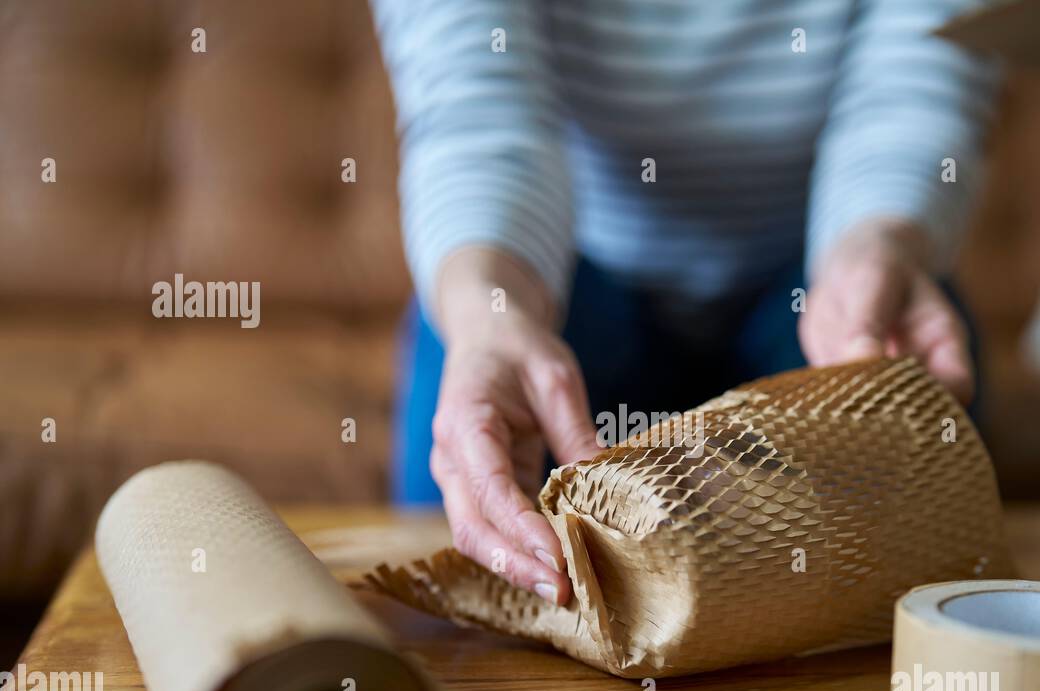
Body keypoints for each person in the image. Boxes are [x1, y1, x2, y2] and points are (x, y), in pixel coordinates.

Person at [371, 0, 998, 607]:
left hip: (825, 280)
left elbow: (913, 87)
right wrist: (490, 314)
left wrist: (877, 246)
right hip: (558, 282)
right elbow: (474, 107)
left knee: (919, 575)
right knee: (462, 593)